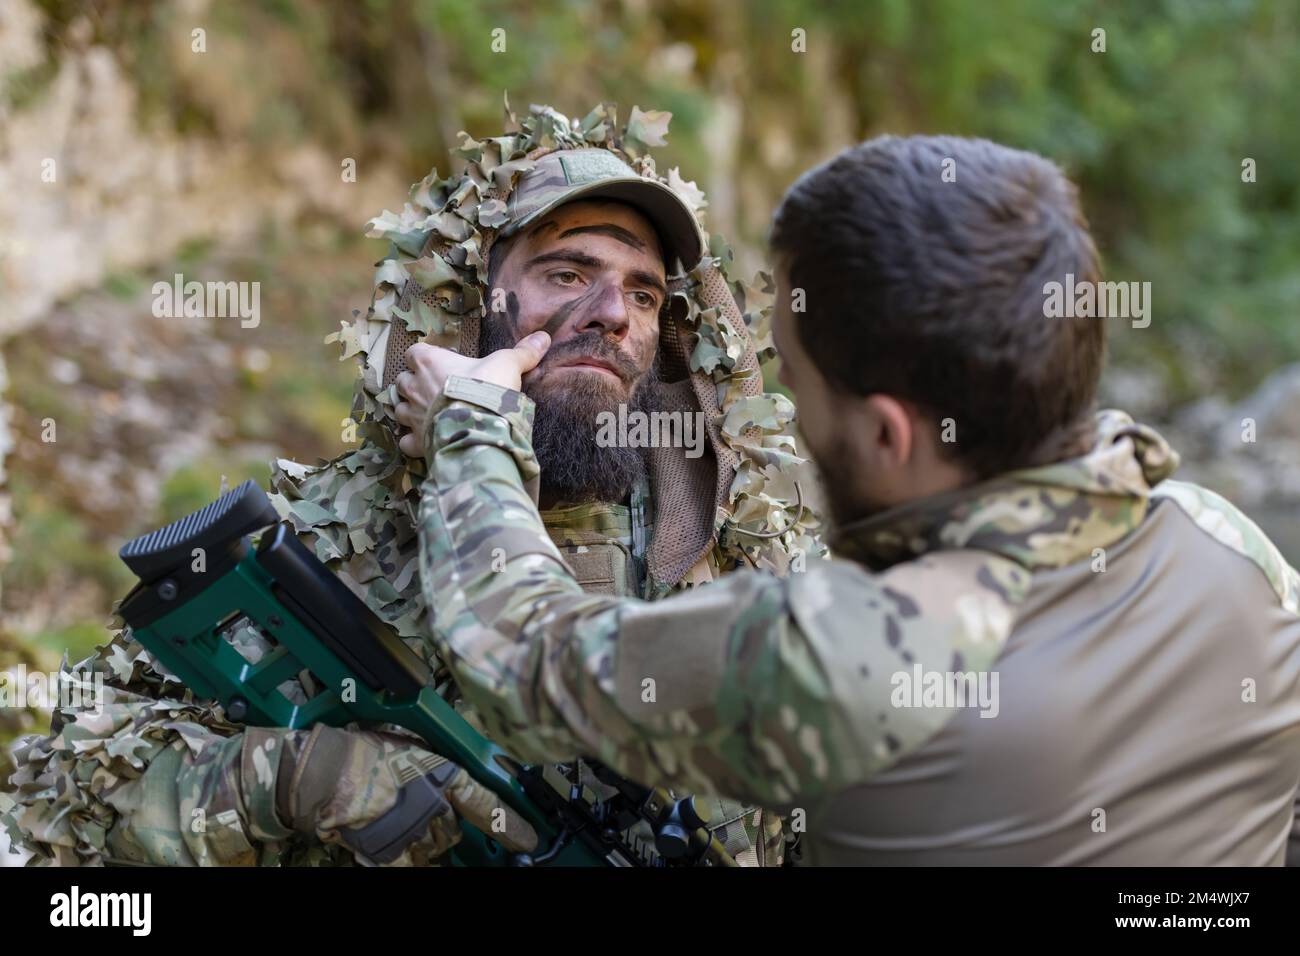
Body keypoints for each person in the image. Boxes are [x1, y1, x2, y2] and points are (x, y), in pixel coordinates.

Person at [402, 133, 1300, 865]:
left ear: (884, 436)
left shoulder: (848, 653)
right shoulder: (1232, 550)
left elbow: (517, 652)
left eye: (796, 381)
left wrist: (473, 422)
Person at [1, 103, 821, 866]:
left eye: (644, 292)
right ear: (468, 307)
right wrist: (307, 777)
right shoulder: (330, 543)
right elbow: (60, 805)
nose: (614, 311)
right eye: (569, 274)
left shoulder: (751, 558)